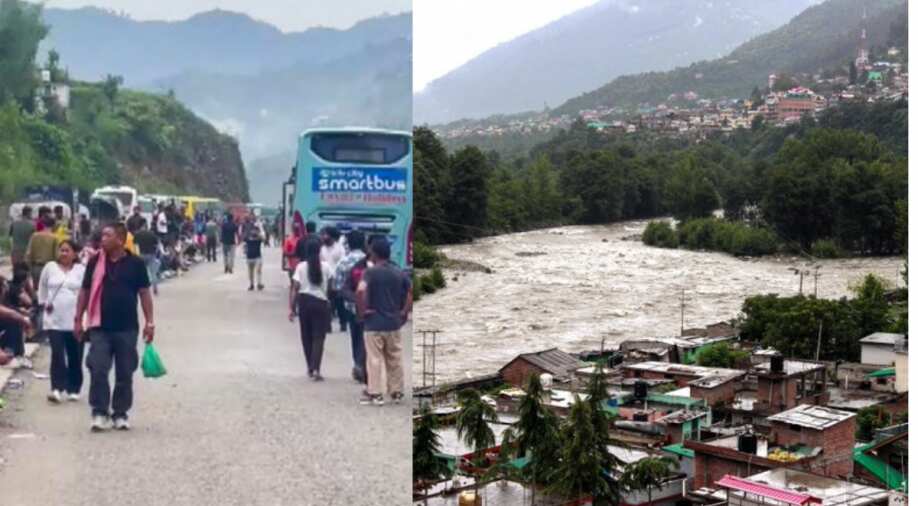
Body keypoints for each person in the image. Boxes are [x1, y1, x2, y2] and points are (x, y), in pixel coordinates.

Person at [74, 222, 154, 432]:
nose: (102, 239)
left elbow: (144, 293)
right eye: (102, 235)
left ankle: (120, 413)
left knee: (125, 372)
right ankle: (99, 412)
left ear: (120, 239)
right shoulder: (94, 262)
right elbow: (85, 290)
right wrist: (78, 318)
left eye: (107, 235)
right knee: (98, 368)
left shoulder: (136, 264)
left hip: (127, 327)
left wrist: (150, 321)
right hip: (99, 327)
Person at [357, 238, 411, 406]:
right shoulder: (399, 272)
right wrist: (404, 311)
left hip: (373, 323)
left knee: (374, 359)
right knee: (394, 358)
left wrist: (362, 310)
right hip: (393, 323)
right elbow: (410, 292)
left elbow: (360, 291)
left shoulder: (370, 273)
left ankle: (376, 393)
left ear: (374, 254)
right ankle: (396, 392)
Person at [38, 240, 86, 403]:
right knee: (57, 354)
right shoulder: (50, 267)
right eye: (61, 250)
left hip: (75, 319)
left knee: (75, 355)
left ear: (74, 254)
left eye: (67, 251)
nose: (63, 253)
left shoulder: (81, 270)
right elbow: (42, 287)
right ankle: (56, 388)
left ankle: (74, 388)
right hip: (54, 319)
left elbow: (86, 291)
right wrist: (44, 303)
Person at [289, 237, 334, 381]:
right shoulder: (326, 267)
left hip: (304, 302)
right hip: (321, 302)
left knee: (306, 336)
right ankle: (316, 368)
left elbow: (295, 288)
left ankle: (309, 366)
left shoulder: (301, 266)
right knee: (318, 337)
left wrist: (291, 307)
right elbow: (331, 287)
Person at [335, 230, 367, 382]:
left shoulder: (343, 261)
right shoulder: (370, 261)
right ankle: (366, 366)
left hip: (351, 306)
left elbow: (338, 286)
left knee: (356, 336)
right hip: (370, 306)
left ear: (348, 243)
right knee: (368, 337)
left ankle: (358, 364)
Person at [0, 262, 36, 369]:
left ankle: (14, 352)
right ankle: (12, 352)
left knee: (15, 318)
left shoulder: (10, 288)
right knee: (16, 318)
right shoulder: (16, 288)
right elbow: (29, 302)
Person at [320, 226, 347, 331]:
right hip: (325, 279)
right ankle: (327, 325)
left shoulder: (340, 248)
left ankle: (343, 323)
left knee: (340, 303)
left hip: (338, 279)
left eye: (325, 234)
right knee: (327, 303)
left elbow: (343, 262)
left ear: (331, 236)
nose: (323, 236)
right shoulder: (321, 249)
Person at [25, 215, 59, 289]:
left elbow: (28, 253)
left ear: (43, 224)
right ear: (54, 225)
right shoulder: (54, 238)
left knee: (37, 290)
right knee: (48, 290)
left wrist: (29, 268)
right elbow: (56, 256)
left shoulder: (34, 236)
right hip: (49, 268)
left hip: (36, 268)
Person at [133, 222, 161, 296]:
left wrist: (136, 255)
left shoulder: (137, 234)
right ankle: (155, 288)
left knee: (140, 273)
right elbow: (157, 244)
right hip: (151, 254)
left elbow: (135, 245)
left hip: (141, 255)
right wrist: (156, 253)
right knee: (153, 273)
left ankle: (140, 288)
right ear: (146, 227)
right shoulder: (152, 234)